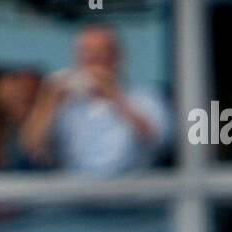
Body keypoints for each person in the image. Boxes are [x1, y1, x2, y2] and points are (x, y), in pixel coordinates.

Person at [21, 25, 170, 176]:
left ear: (118, 57)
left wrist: (116, 98)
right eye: (86, 54)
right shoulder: (65, 103)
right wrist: (48, 104)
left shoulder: (145, 97)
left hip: (131, 193)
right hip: (73, 193)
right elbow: (32, 148)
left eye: (100, 54)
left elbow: (159, 140)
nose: (92, 60)